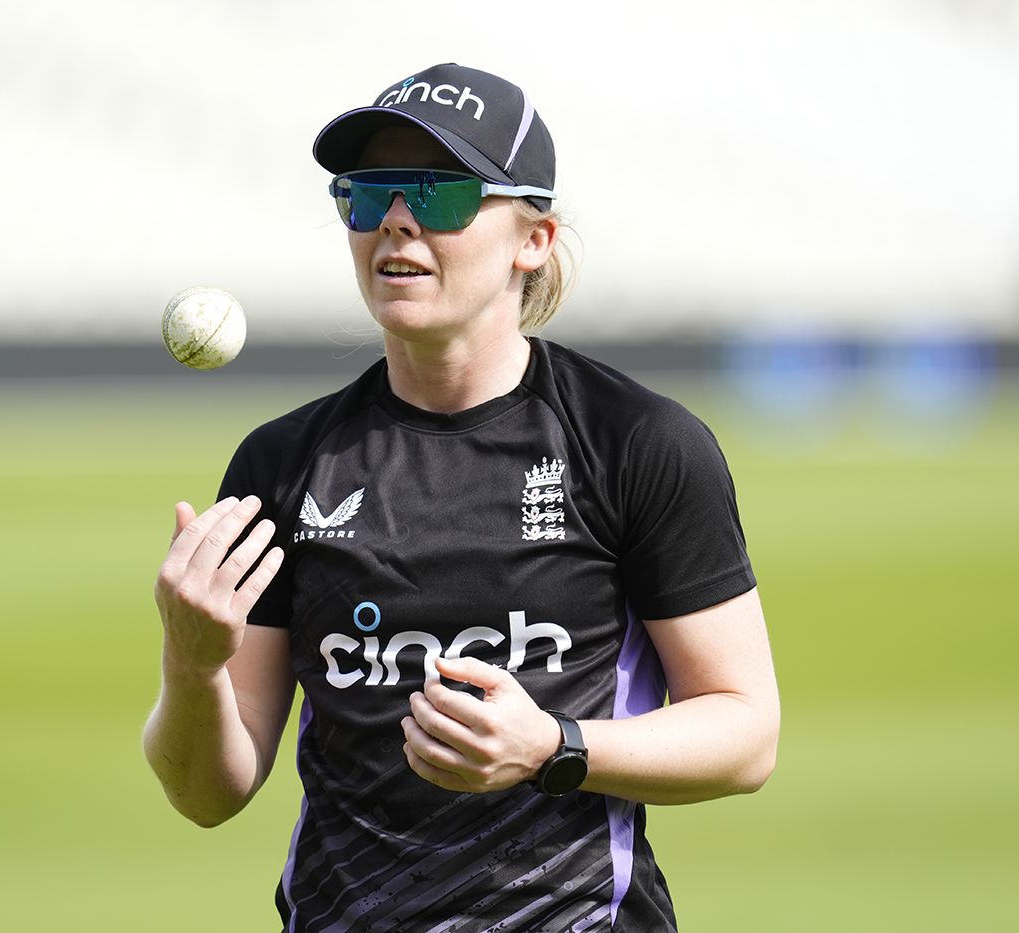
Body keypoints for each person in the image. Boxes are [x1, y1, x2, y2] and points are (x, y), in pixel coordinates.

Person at [144, 63, 780, 932]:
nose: (396, 220)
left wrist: (551, 747)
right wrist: (191, 663)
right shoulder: (284, 461)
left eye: (440, 194)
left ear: (535, 240)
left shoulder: (636, 442)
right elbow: (207, 793)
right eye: (367, 195)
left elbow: (746, 733)